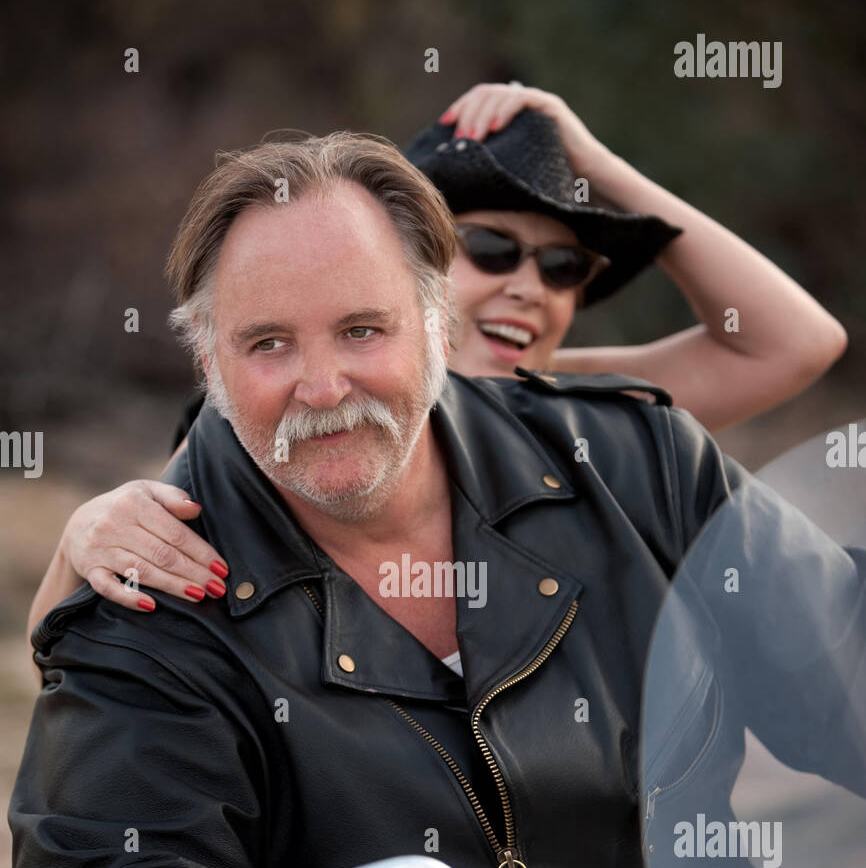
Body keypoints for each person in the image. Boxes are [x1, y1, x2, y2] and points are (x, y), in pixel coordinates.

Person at [9, 131, 865, 868]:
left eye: (361, 329)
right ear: (210, 366)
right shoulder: (155, 585)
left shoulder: (639, 466)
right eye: (267, 343)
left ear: (429, 319)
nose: (321, 385)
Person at [24, 84, 847, 633]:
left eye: (564, 267)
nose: (530, 285)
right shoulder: (297, 421)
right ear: (404, 269)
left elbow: (796, 342)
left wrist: (589, 157)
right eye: (491, 247)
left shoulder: (587, 420)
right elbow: (78, 655)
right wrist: (79, 537)